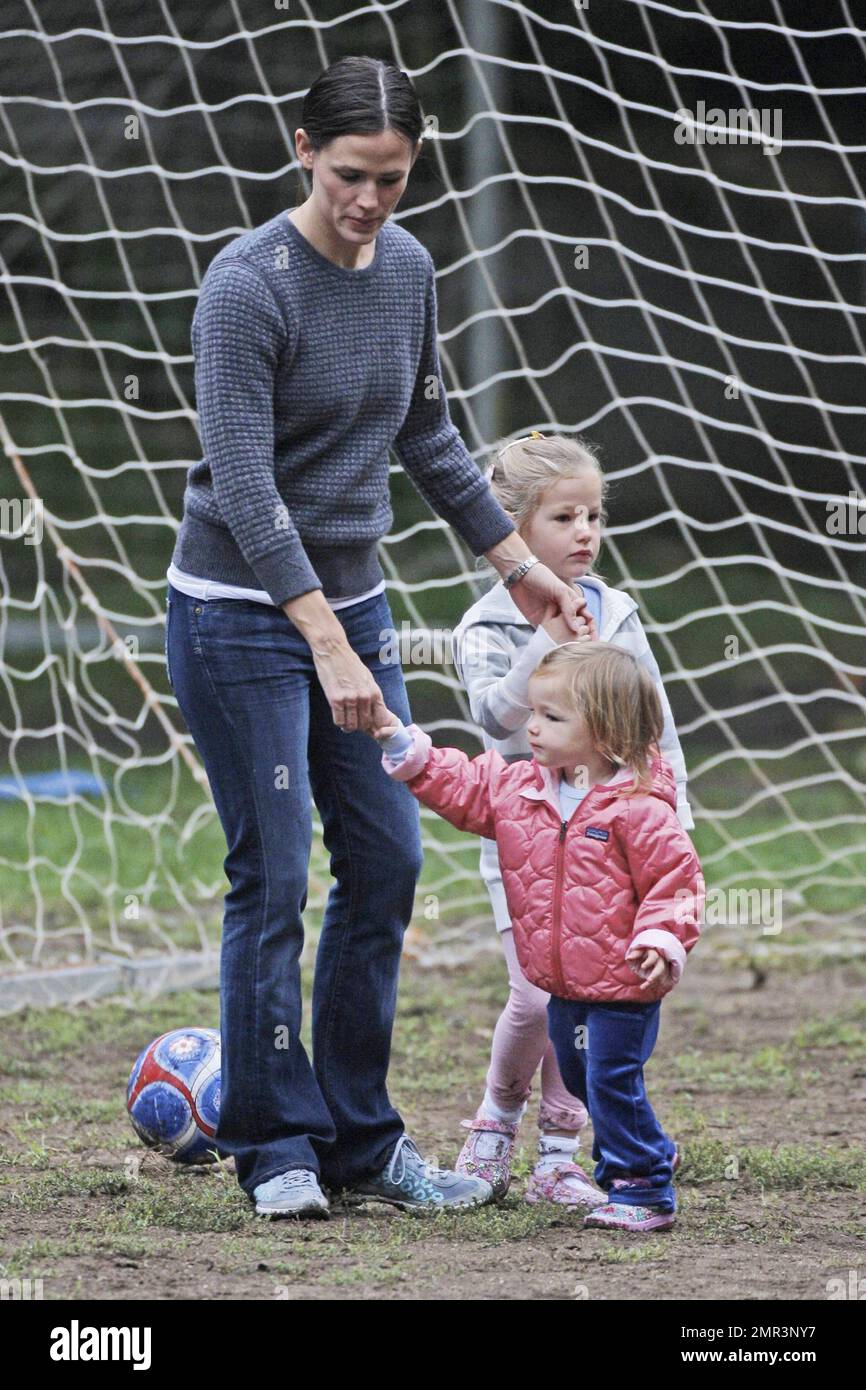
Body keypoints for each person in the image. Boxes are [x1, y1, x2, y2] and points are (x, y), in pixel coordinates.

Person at [164, 56, 592, 1220]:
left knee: (390, 856)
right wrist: (329, 642)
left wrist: (523, 569)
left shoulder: (405, 269)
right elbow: (246, 490)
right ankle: (275, 1148)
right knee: (275, 874)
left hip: (349, 608)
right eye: (350, 175)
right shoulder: (245, 286)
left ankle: (360, 1139)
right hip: (239, 615)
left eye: (391, 182)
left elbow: (428, 432)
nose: (367, 203)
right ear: (303, 148)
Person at [370, 641, 703, 1232]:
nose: (532, 726)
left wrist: (661, 939)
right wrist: (404, 744)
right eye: (533, 712)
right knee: (581, 1079)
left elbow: (676, 882)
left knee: (608, 1079)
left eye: (552, 717)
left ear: (605, 731)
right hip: (562, 986)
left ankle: (644, 1187)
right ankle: (649, 1146)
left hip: (623, 985)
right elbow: (463, 785)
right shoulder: (522, 787)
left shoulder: (640, 807)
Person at [445, 432, 694, 1205]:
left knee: (591, 998)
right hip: (529, 846)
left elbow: (652, 721)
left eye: (593, 515)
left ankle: (560, 1152)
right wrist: (549, 638)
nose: (585, 532)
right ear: (511, 532)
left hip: (614, 844)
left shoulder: (617, 610)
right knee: (536, 996)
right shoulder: (485, 626)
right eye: (563, 517)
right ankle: (494, 1121)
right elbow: (494, 720)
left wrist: (673, 810)